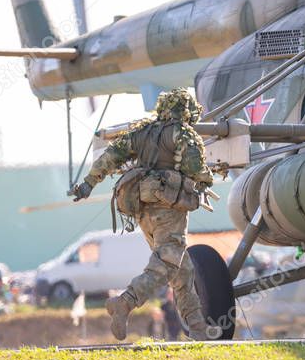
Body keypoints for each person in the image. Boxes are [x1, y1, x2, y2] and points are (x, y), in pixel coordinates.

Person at [71, 88, 218, 341]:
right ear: (185, 111)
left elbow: (109, 157)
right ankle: (125, 303)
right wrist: (206, 179)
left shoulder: (140, 132)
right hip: (169, 210)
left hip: (142, 212)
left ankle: (198, 328)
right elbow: (196, 168)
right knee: (164, 265)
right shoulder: (182, 133)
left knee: (182, 271)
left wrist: (88, 184)